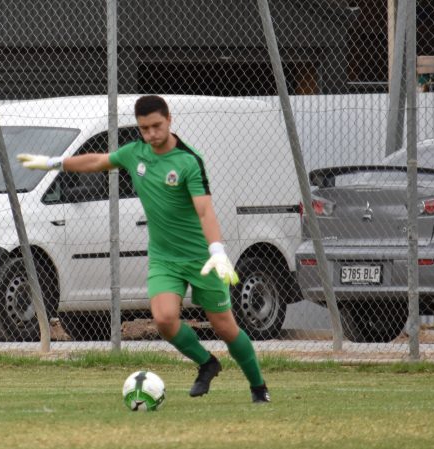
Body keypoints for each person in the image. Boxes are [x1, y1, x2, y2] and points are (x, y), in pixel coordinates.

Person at [17, 95, 270, 404]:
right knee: (164, 320)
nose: (151, 134)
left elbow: (205, 211)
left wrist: (217, 251)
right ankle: (207, 363)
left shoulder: (189, 161)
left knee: (225, 328)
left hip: (201, 258)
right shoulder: (134, 153)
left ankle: (258, 387)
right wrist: (54, 163)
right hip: (164, 258)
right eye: (144, 128)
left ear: (169, 120)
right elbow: (97, 161)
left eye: (156, 126)